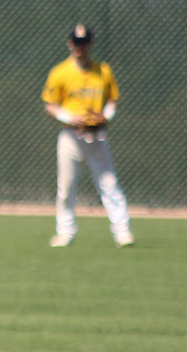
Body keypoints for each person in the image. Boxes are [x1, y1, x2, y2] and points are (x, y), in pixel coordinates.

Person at [41, 23, 134, 248]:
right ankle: (65, 232)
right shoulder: (60, 72)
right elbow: (50, 105)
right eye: (76, 43)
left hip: (97, 135)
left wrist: (107, 115)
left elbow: (112, 100)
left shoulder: (103, 71)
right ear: (70, 44)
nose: (79, 47)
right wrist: (69, 117)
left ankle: (122, 232)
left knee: (109, 183)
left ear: (90, 44)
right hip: (71, 135)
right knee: (66, 185)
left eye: (83, 43)